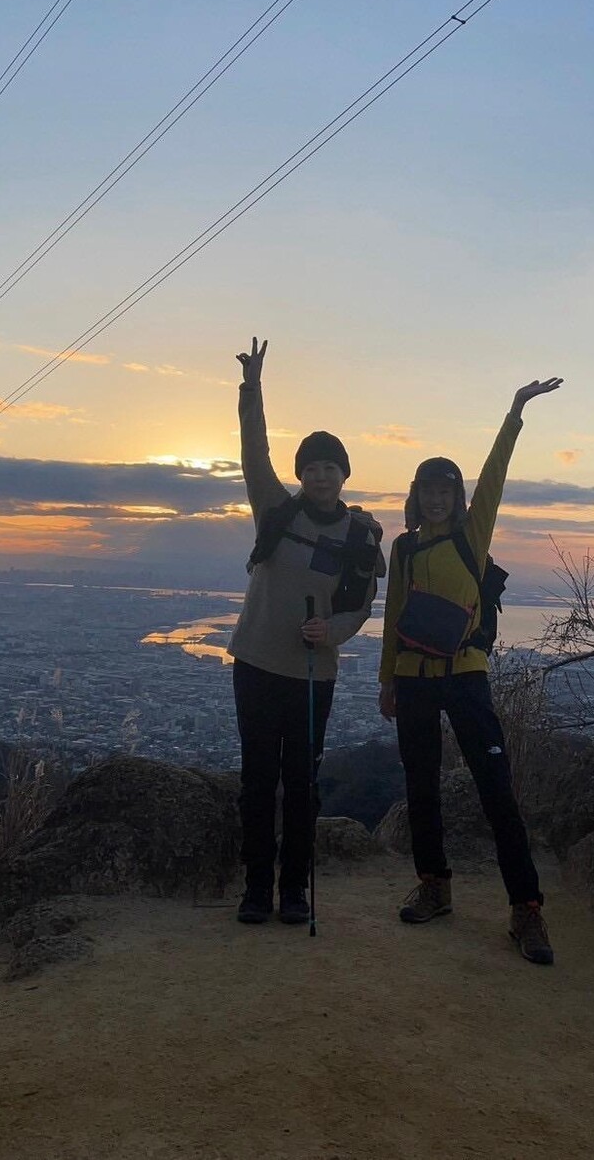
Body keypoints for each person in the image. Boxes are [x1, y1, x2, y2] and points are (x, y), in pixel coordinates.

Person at [378, 376, 563, 964]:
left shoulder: (471, 536)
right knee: (421, 786)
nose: (437, 499)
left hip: (465, 673)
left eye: (446, 490)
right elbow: (393, 617)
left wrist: (514, 412)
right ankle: (434, 885)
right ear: (416, 495)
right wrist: (387, 678)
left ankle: (526, 909)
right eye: (427, 490)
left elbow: (496, 476)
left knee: (495, 790)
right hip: (412, 677)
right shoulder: (403, 548)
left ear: (458, 497)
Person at [229, 338, 385, 925]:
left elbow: (365, 606)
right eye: (312, 467)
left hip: (313, 672)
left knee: (302, 784)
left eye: (331, 467)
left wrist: (334, 631)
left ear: (344, 475)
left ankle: (293, 890)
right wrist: (253, 389)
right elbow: (252, 453)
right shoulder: (276, 509)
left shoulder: (360, 536)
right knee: (256, 780)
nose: (321, 476)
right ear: (301, 474)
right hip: (255, 663)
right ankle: (254, 889)